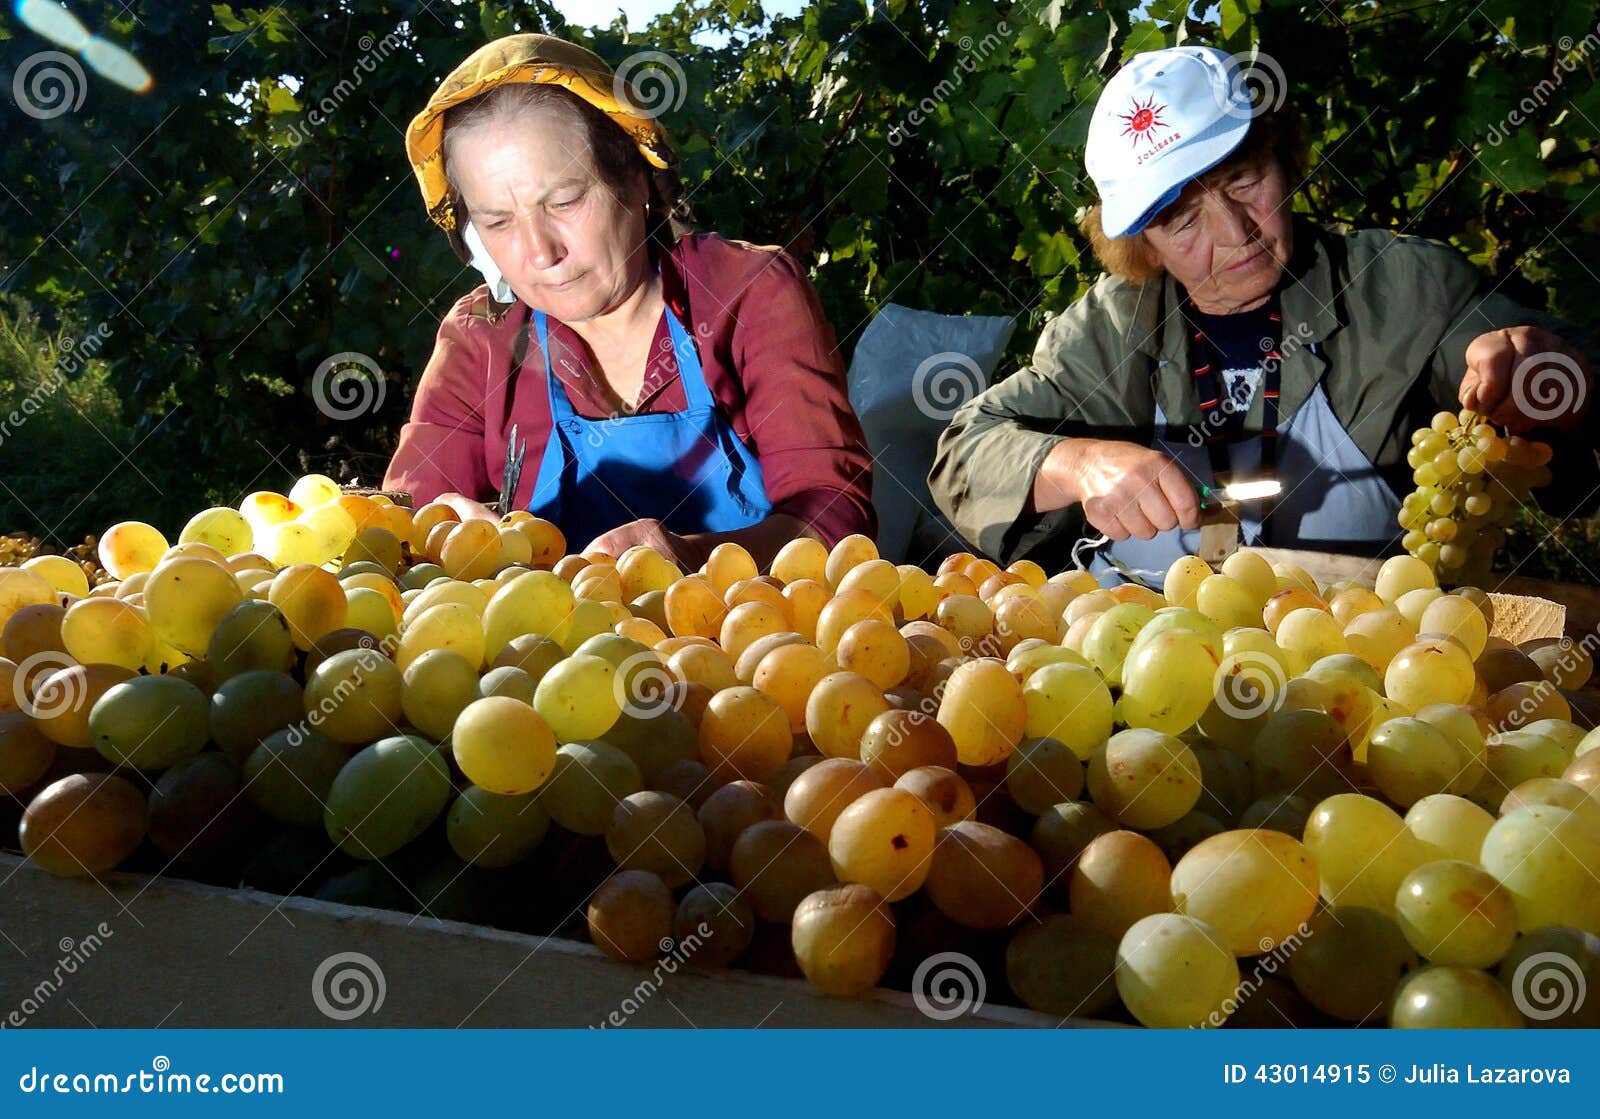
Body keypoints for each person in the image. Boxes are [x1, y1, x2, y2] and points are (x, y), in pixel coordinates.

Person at [929, 45, 1597, 581]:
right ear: (1143, 246)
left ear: (1284, 156)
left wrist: (1552, 381)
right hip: (1138, 664)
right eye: (1182, 218)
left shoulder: (1402, 287)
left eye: (1244, 179)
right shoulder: (1106, 331)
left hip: (1347, 673)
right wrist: (1075, 463)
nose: (1235, 233)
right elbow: (964, 451)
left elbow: (1561, 376)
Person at [386, 34, 874, 571]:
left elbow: (835, 516)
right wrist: (430, 528)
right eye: (498, 222)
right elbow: (401, 524)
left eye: (566, 201)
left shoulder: (748, 294)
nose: (539, 253)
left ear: (637, 176)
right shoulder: (480, 338)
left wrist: (693, 559)